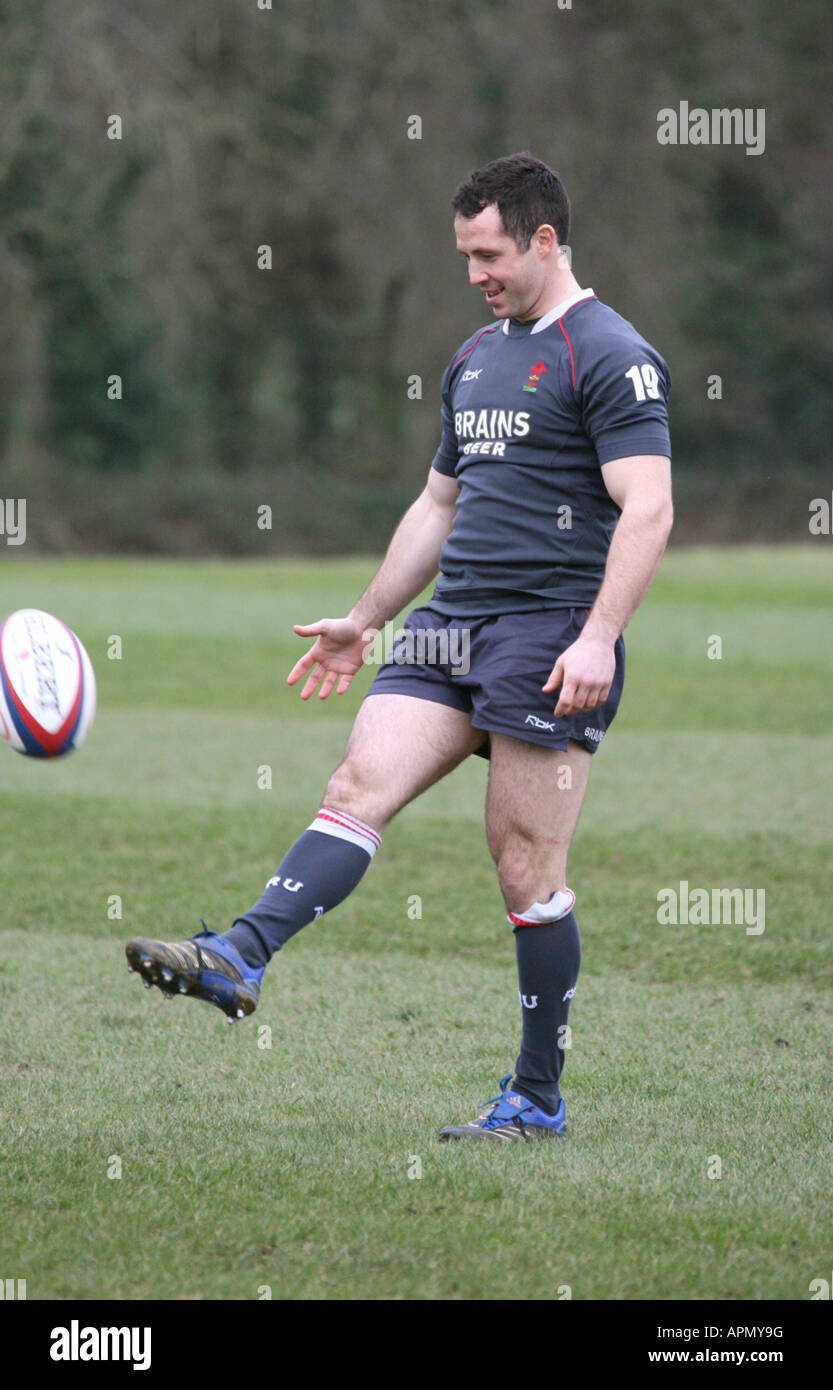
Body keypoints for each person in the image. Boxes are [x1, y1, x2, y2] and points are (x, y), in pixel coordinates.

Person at [126, 152, 673, 1143]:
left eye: (489, 253)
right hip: (448, 626)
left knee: (523, 868)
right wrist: (366, 615)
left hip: (549, 633)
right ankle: (241, 955)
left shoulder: (610, 353)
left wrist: (599, 636)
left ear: (544, 239)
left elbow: (650, 506)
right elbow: (437, 503)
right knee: (354, 785)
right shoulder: (474, 357)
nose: (475, 272)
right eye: (464, 254)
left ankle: (536, 1097)